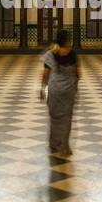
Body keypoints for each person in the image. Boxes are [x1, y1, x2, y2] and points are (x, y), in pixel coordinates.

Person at [39, 29, 79, 157]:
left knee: (54, 116)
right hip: (69, 90)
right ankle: (64, 146)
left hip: (55, 88)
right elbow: (78, 74)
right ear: (67, 40)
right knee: (67, 118)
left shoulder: (51, 54)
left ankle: (53, 144)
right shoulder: (73, 54)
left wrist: (42, 88)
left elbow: (45, 74)